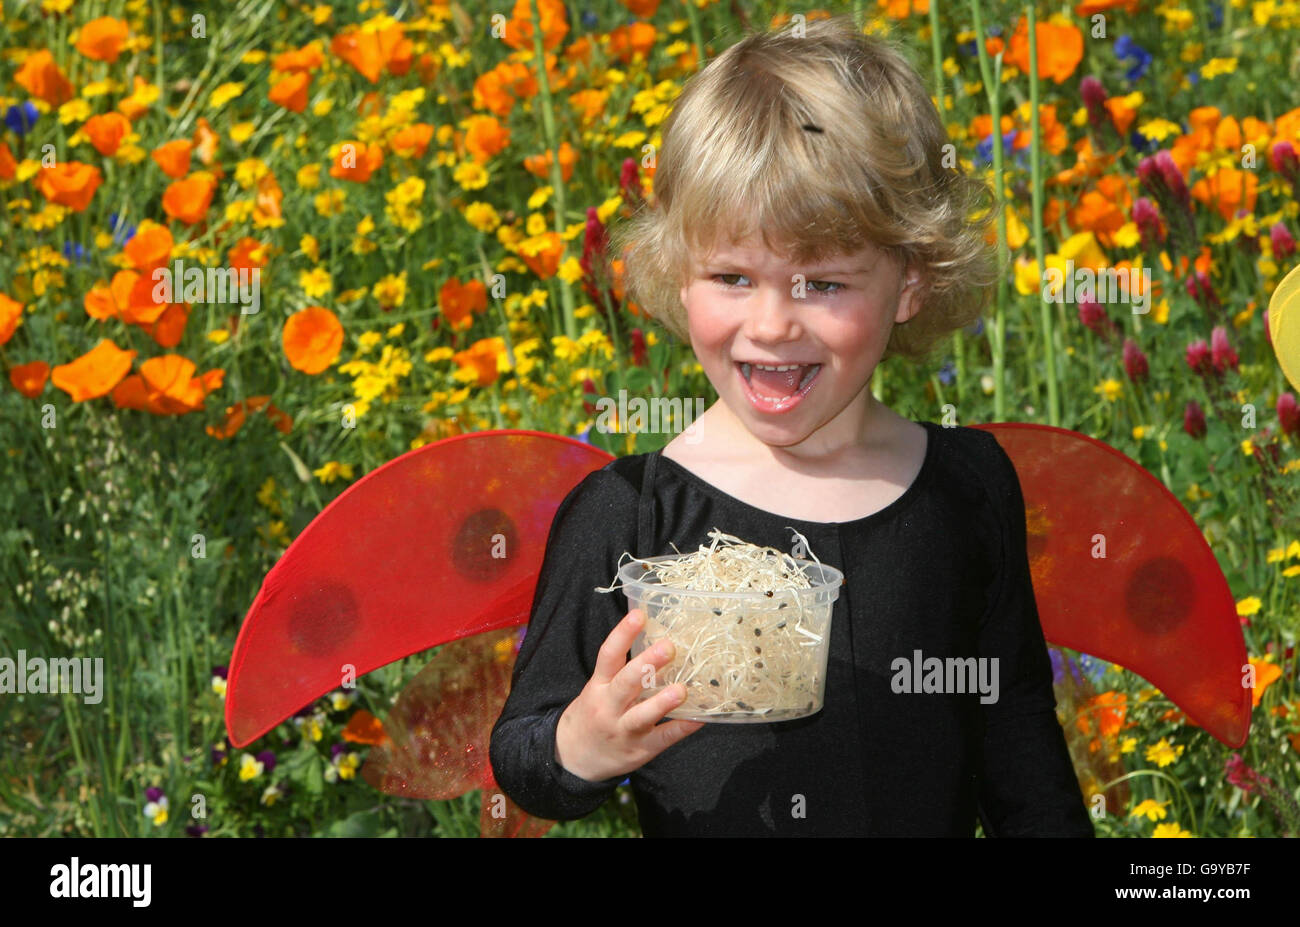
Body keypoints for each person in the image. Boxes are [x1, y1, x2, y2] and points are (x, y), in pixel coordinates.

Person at [489, 15, 1094, 837]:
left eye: (822, 282)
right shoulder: (629, 512)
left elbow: (1015, 727)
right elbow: (525, 752)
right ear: (676, 269)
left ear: (911, 280)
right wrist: (583, 744)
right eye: (732, 275)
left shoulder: (966, 486)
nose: (772, 324)